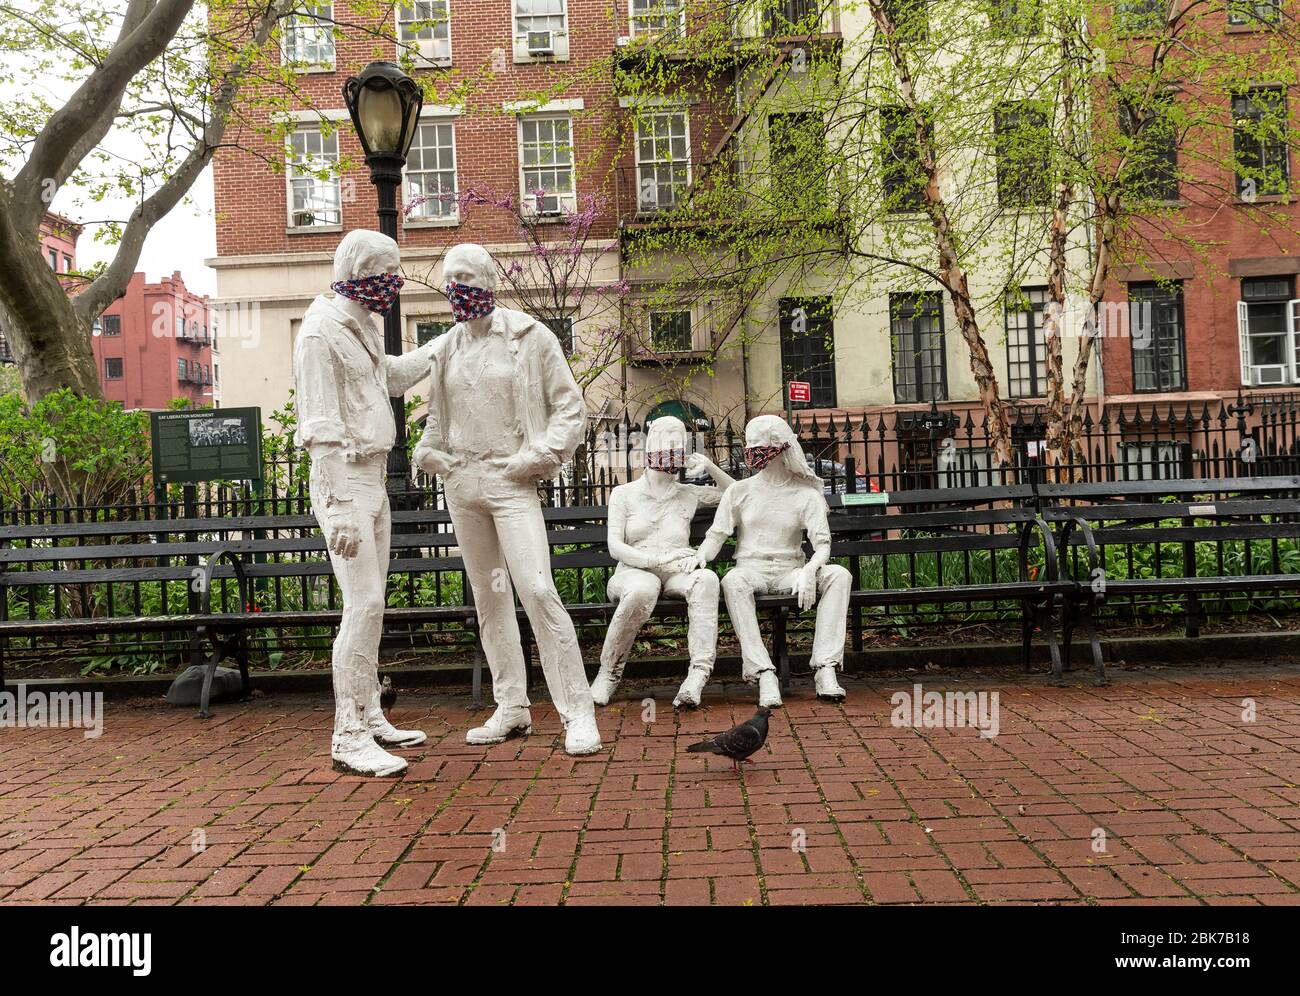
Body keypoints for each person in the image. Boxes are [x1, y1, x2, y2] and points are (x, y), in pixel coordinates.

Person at [412, 243, 602, 756]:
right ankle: (511, 706)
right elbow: (437, 419)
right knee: (490, 598)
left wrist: (535, 458)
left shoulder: (529, 336)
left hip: (512, 481)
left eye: (467, 278)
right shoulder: (446, 347)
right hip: (464, 487)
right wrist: (429, 453)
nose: (457, 288)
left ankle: (577, 712)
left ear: (489, 281)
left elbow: (570, 409)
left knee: (538, 590)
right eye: (450, 278)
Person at [292, 230, 435, 777]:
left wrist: (445, 344)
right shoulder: (320, 333)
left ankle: (371, 714)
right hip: (345, 480)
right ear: (361, 274)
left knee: (373, 604)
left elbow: (392, 378)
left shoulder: (363, 329)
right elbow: (320, 427)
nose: (395, 285)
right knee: (363, 605)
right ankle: (346, 733)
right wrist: (338, 506)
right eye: (388, 274)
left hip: (372, 477)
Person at [696, 414, 850, 706]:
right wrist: (697, 559)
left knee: (838, 575)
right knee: (732, 580)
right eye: (749, 445)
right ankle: (764, 672)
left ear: (780, 448)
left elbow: (822, 546)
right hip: (751, 570)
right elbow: (716, 536)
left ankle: (825, 668)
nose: (752, 452)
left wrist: (809, 569)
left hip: (790, 571)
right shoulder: (739, 492)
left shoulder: (806, 495)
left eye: (759, 445)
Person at [591, 415, 734, 709]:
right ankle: (609, 672)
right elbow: (615, 547)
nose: (671, 456)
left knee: (706, 580)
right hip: (632, 572)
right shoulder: (624, 494)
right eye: (666, 448)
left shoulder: (688, 494)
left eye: (677, 449)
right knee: (644, 589)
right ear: (650, 450)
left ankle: (697, 677)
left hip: (675, 574)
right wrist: (655, 558)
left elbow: (738, 494)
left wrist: (708, 465)